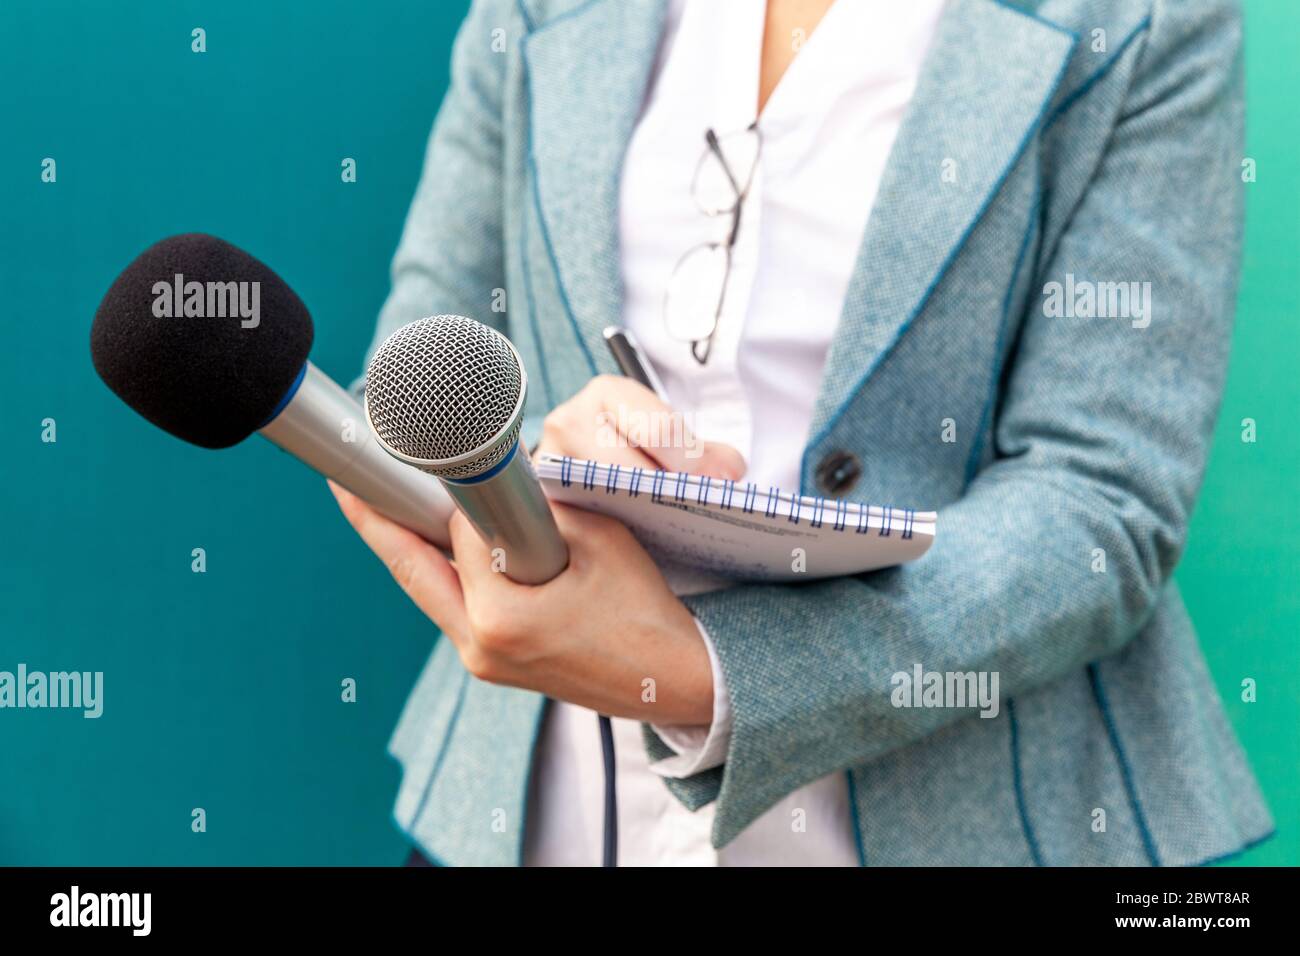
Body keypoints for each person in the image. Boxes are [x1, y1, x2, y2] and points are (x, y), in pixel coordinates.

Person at [329, 0, 1272, 866]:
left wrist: (712, 674)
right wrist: (536, 470)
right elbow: (412, 366)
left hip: (963, 818)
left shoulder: (1147, 19)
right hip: (531, 814)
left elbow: (1102, 498)